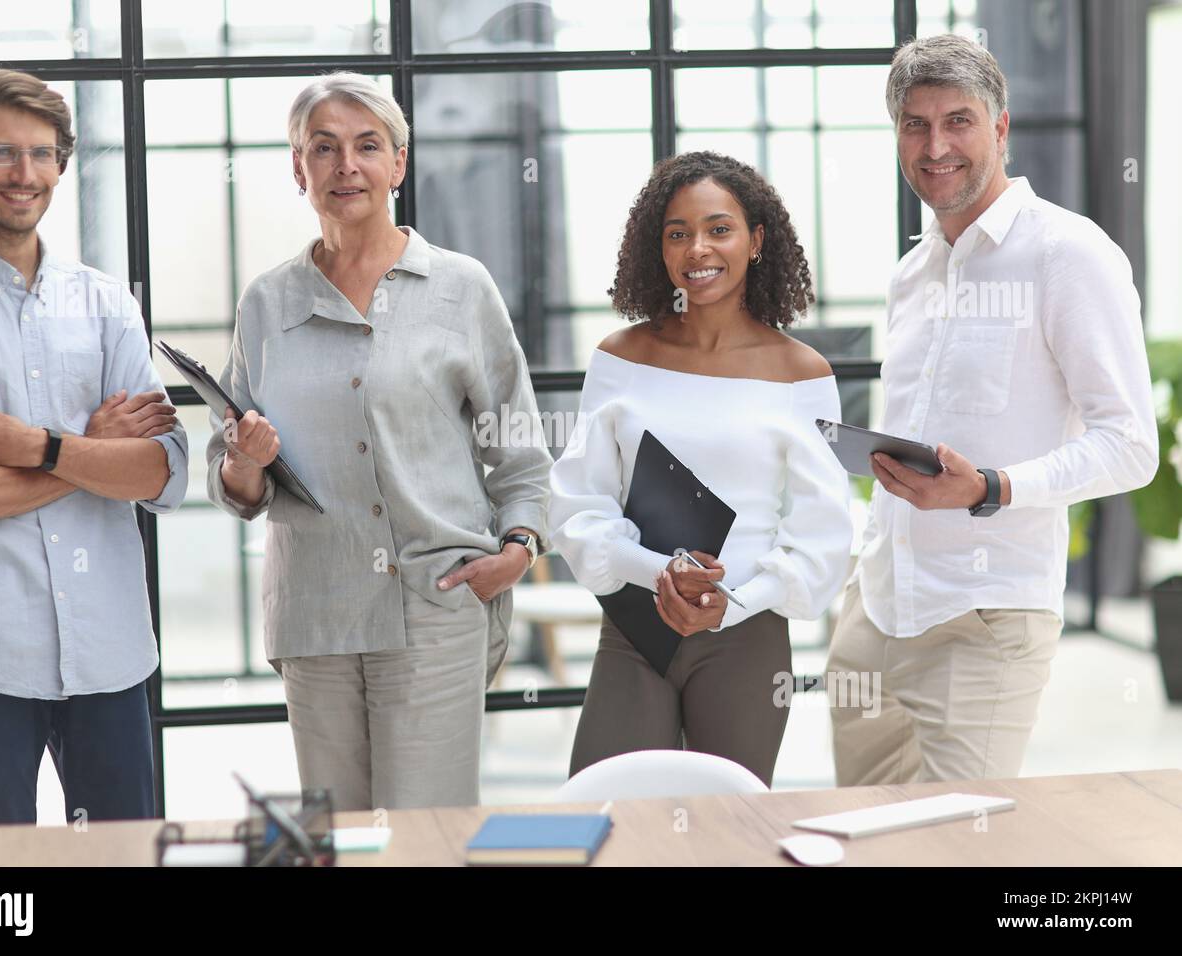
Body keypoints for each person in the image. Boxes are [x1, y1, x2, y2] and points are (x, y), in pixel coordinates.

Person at [205, 72, 552, 812]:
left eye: (367, 146)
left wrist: (517, 549)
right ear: (298, 168)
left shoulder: (462, 289)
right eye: (323, 148)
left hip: (436, 604)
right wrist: (243, 462)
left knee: (425, 838)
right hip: (315, 607)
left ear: (398, 162)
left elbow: (517, 445)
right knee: (340, 841)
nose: (345, 166)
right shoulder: (268, 301)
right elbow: (233, 478)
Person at [827, 35, 1159, 785]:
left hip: (984, 621)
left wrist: (991, 488)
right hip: (874, 609)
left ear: (1000, 127)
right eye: (915, 124)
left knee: (962, 848)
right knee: (868, 843)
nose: (935, 145)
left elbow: (1130, 444)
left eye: (958, 121)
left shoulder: (1068, 255)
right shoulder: (912, 273)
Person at [0, 69, 188, 842]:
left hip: (109, 645)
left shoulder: (107, 302)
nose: (26, 175)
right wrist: (92, 452)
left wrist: (38, 447)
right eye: (2, 153)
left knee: (126, 860)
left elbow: (164, 472)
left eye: (44, 154)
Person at [549, 151, 852, 785]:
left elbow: (821, 538)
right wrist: (662, 571)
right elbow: (581, 508)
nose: (698, 249)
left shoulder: (802, 374)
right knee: (608, 821)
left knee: (731, 835)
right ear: (656, 248)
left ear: (756, 239)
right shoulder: (619, 359)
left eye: (719, 228)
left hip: (747, 636)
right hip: (636, 627)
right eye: (678, 233)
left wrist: (729, 604)